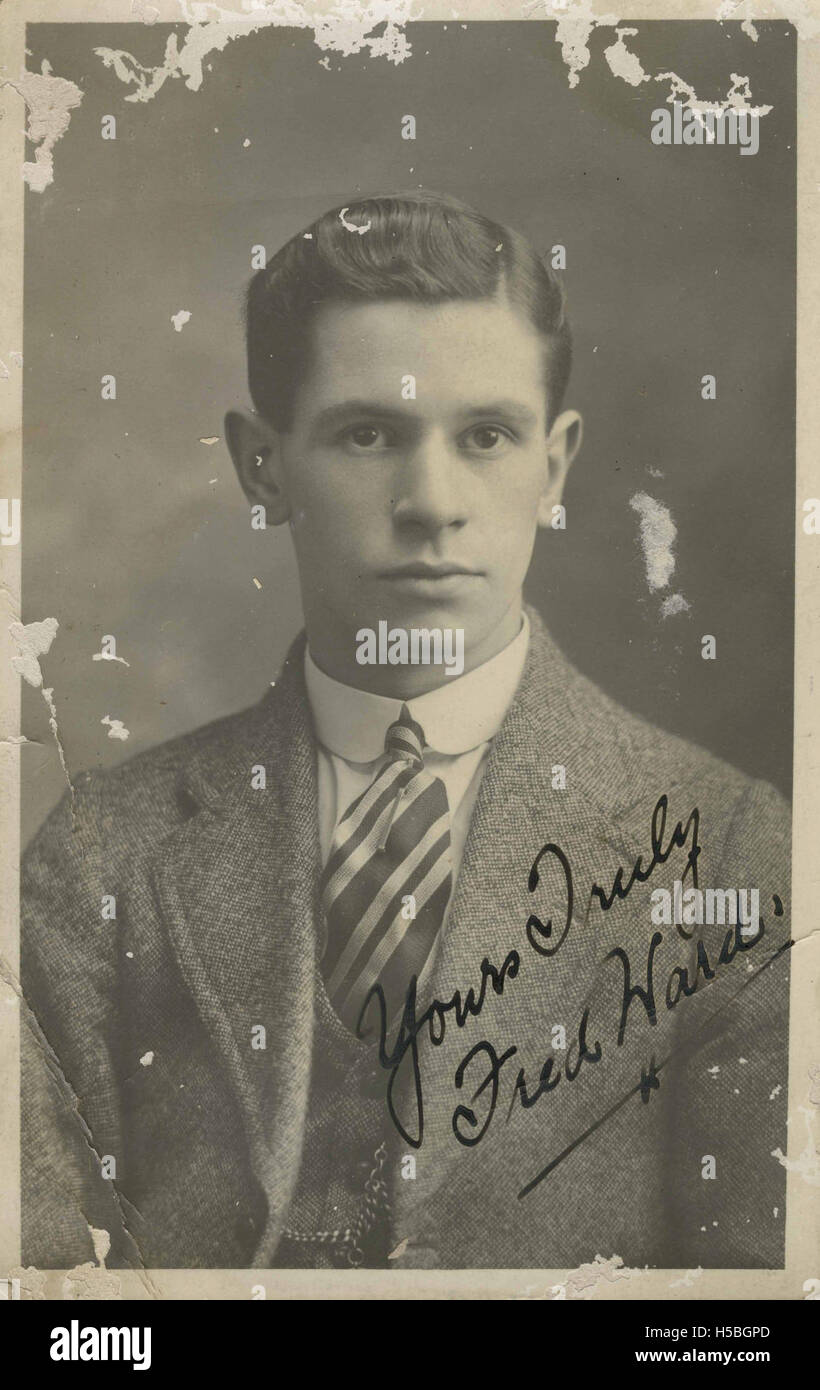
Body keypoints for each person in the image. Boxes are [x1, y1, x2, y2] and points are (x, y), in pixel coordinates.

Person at [21, 192, 790, 1272]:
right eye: (368, 433)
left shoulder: (733, 854)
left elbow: (752, 1315)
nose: (434, 501)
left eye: (486, 435)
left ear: (555, 466)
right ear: (263, 465)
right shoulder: (102, 858)